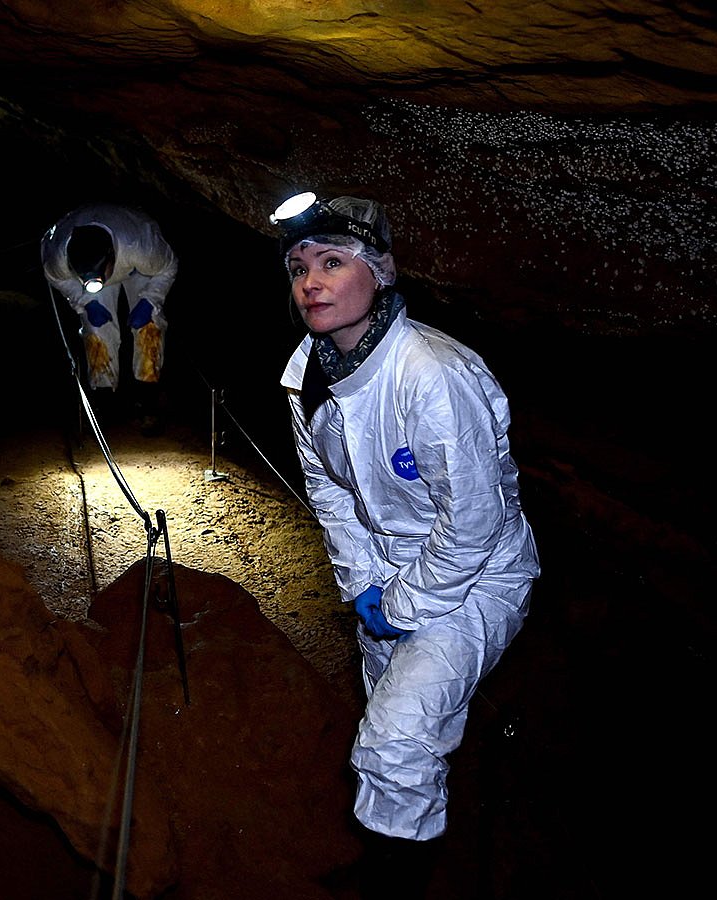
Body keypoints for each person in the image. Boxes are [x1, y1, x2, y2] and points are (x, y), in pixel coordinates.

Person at [271, 192, 540, 889]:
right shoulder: (307, 379)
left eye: (333, 262)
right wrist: (362, 580)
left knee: (394, 739)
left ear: (382, 272)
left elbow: (473, 521)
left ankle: (401, 880)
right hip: (387, 574)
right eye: (299, 267)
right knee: (387, 709)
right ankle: (390, 844)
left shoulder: (432, 376)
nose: (311, 281)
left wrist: (404, 604)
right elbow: (331, 491)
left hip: (475, 579)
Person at [41, 202, 177, 435]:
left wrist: (150, 300)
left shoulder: (140, 246)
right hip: (93, 273)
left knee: (149, 325)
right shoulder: (57, 259)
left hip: (138, 267)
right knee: (96, 330)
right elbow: (57, 279)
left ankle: (148, 399)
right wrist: (85, 301)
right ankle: (104, 400)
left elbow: (169, 266)